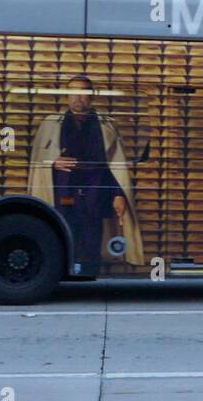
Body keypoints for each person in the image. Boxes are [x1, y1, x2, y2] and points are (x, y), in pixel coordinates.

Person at [27, 75, 143, 275]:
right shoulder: (51, 124)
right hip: (63, 193)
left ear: (92, 96)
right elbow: (39, 158)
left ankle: (89, 279)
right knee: (63, 238)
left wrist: (118, 194)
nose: (78, 97)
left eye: (83, 92)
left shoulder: (106, 125)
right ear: (66, 95)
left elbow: (115, 164)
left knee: (92, 242)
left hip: (96, 193)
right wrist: (52, 162)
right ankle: (60, 278)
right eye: (73, 92)